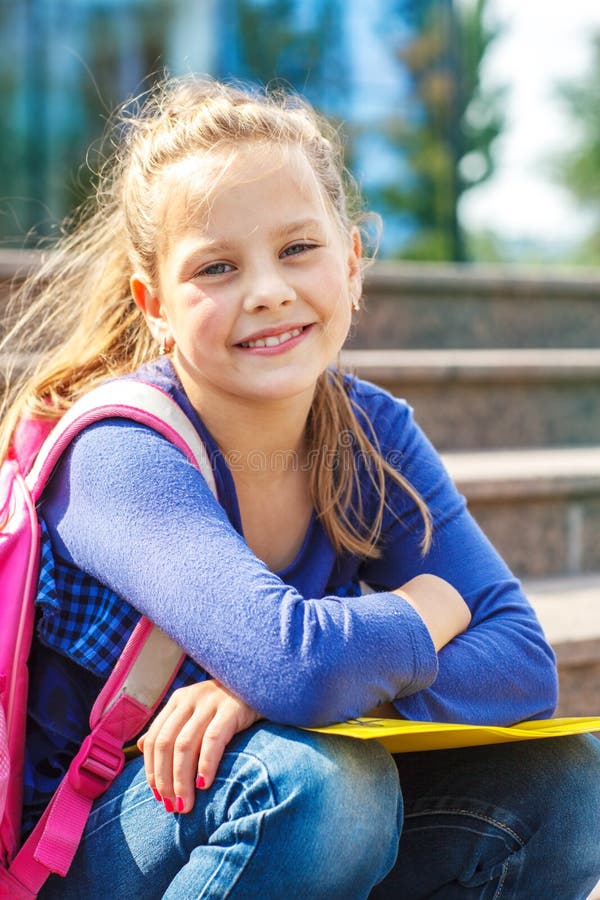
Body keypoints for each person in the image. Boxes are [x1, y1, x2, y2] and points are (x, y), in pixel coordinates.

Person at [2, 76, 599, 899]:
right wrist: (426, 607)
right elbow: (296, 666)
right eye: (216, 267)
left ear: (351, 263)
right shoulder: (118, 454)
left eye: (297, 249)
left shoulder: (370, 434)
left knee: (565, 781)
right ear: (156, 305)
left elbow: (524, 665)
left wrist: (270, 696)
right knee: (319, 788)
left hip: (244, 811)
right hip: (85, 852)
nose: (268, 291)